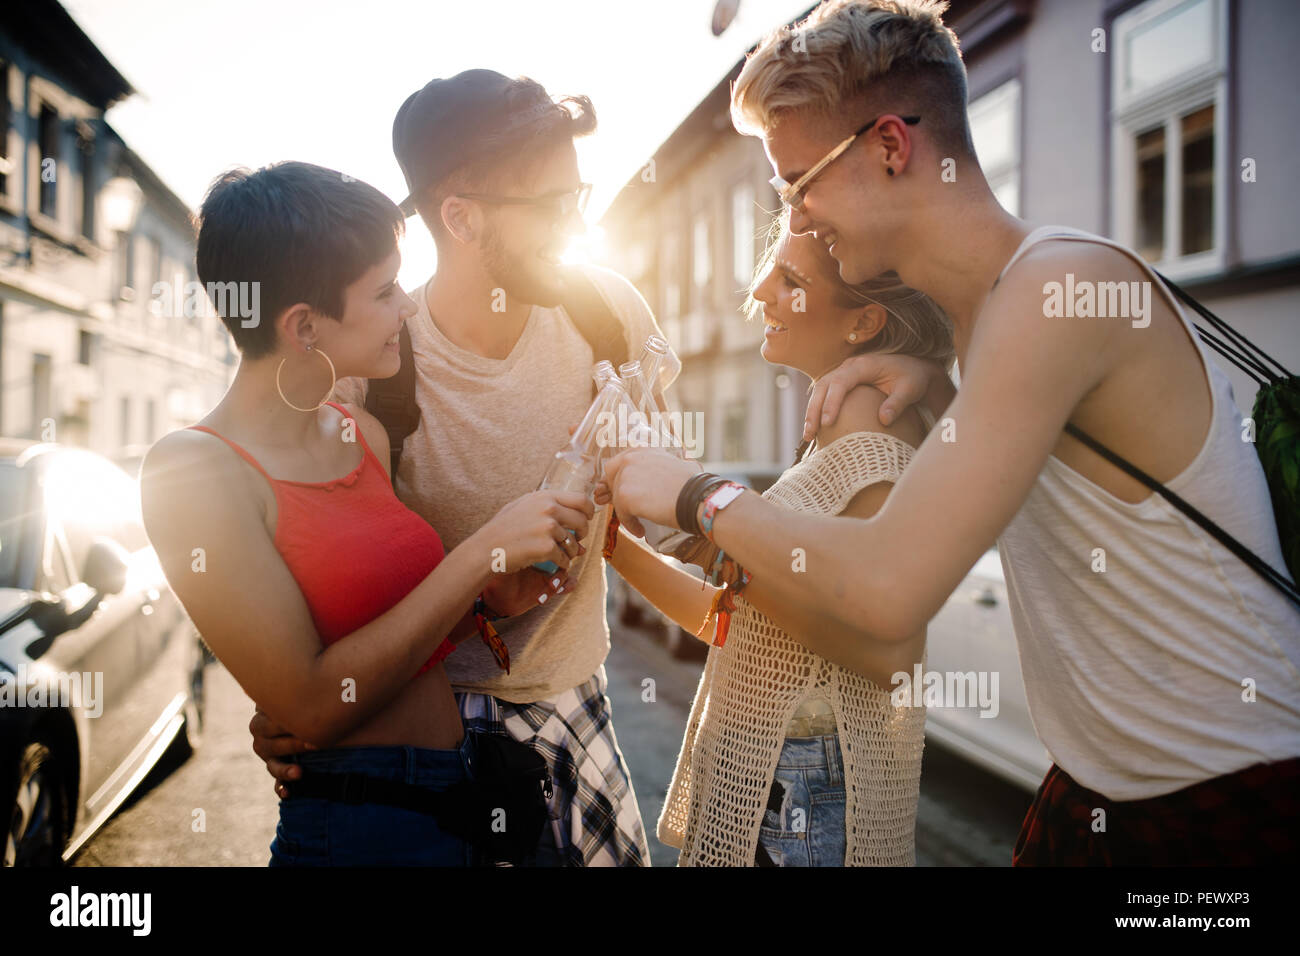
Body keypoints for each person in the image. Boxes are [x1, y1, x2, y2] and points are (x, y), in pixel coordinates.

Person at [598, 0, 1300, 865]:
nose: (797, 213)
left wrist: (693, 491)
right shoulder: (991, 326)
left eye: (798, 180)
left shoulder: (1058, 287)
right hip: (1101, 791)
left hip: (1229, 799)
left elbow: (888, 589)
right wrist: (937, 375)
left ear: (891, 147)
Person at [250, 70, 669, 866]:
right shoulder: (369, 363)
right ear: (461, 217)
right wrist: (299, 705)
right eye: (552, 205)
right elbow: (307, 585)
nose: (575, 223)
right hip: (422, 732)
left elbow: (658, 494)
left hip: (575, 705)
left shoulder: (609, 314)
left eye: (578, 195)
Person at [140, 161, 593, 866]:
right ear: (304, 326)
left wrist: (490, 598)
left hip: (461, 794)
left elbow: (384, 627)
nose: (406, 308)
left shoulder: (361, 434)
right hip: (362, 827)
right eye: (384, 291)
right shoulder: (194, 471)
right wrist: (477, 555)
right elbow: (315, 704)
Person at [606, 212, 952, 865]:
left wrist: (700, 503)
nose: (760, 287)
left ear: (863, 321)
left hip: (804, 792)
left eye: (789, 278)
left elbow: (886, 651)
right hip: (782, 781)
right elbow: (733, 621)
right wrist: (615, 545)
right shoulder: (830, 429)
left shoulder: (869, 428)